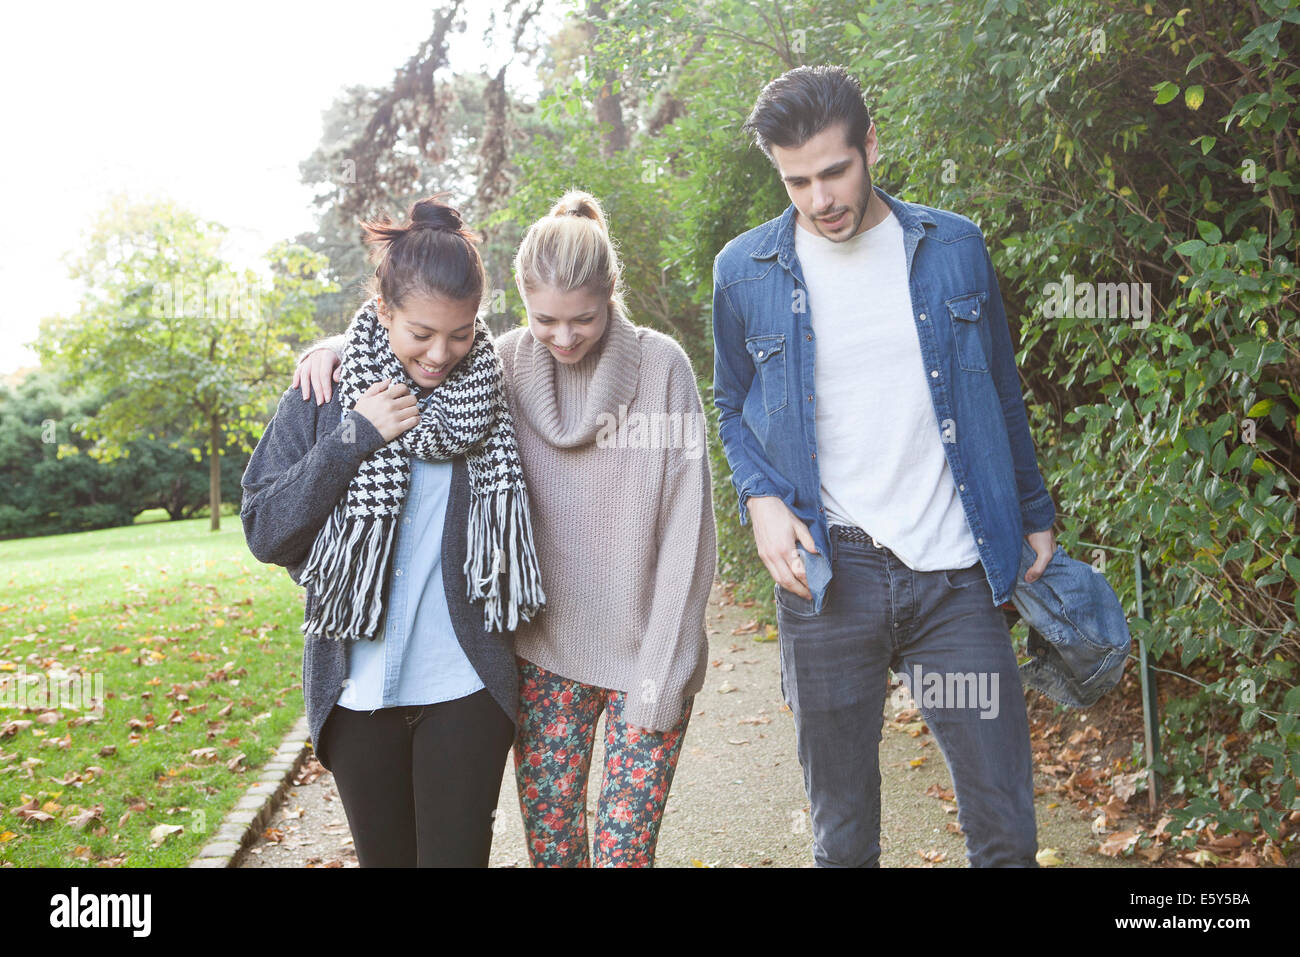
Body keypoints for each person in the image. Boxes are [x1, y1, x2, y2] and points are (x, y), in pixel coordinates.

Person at [295, 190, 716, 867]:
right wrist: (335, 345)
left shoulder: (665, 368)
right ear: (520, 304)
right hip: (545, 657)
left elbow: (689, 537)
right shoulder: (504, 368)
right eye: (546, 319)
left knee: (624, 857)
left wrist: (662, 675)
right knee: (554, 854)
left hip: (645, 657)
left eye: (583, 318)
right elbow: (422, 342)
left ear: (612, 293)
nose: (565, 337)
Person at [711, 65, 1057, 867]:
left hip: (955, 577)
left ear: (871, 144)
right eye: (797, 180)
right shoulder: (744, 271)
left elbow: (1002, 389)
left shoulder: (954, 247)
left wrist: (1034, 511)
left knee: (1006, 829)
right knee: (844, 836)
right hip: (829, 578)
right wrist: (759, 496)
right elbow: (730, 405)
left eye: (835, 171)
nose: (820, 198)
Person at [241, 195, 544, 867]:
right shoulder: (326, 393)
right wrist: (352, 438)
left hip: (466, 686)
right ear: (383, 312)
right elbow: (264, 527)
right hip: (358, 694)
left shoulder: (496, 392)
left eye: (460, 332)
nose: (441, 353)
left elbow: (573, 343)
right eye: (420, 334)